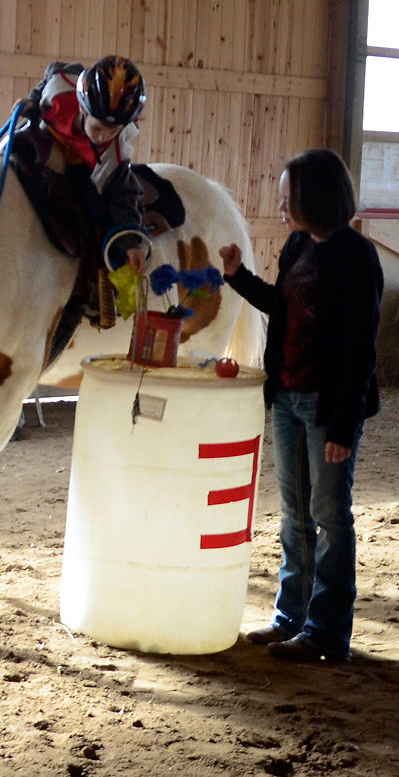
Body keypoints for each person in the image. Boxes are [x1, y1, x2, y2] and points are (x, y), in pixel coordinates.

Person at [219, 149, 383, 663]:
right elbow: (281, 306)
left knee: (330, 517)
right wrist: (236, 275)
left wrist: (343, 424)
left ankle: (328, 632)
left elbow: (361, 348)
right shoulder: (296, 245)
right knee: (293, 516)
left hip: (327, 407)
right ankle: (292, 619)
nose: (281, 205)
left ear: (315, 197)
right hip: (288, 398)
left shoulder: (358, 256)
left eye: (288, 197)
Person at [20, 54, 149, 274]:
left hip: (81, 165)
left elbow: (123, 196)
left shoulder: (114, 152)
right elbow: (55, 70)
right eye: (97, 127)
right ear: (82, 109)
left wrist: (130, 243)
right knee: (11, 153)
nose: (103, 137)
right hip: (46, 139)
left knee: (96, 210)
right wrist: (33, 100)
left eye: (114, 130)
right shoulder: (60, 95)